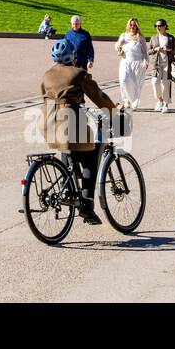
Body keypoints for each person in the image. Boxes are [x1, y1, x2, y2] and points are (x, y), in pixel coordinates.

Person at [40, 38, 121, 226]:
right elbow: (98, 96)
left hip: (48, 123)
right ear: (73, 57)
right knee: (91, 157)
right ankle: (86, 205)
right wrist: (112, 109)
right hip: (70, 122)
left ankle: (67, 188)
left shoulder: (46, 75)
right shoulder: (79, 73)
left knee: (67, 149)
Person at [147, 18, 175, 113]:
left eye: (160, 26)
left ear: (165, 26)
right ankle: (159, 101)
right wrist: (156, 49)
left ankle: (166, 104)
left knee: (166, 84)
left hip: (168, 64)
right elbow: (149, 51)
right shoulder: (153, 38)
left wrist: (168, 49)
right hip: (156, 64)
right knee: (154, 82)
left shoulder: (170, 38)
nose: (158, 27)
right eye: (156, 26)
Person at [115, 17, 147, 110]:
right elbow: (117, 48)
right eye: (131, 25)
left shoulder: (140, 37)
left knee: (135, 84)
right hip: (125, 62)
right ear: (128, 26)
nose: (132, 27)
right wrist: (120, 43)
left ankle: (133, 101)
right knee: (124, 80)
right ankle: (126, 100)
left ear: (137, 27)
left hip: (137, 64)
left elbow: (145, 52)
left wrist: (145, 62)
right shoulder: (123, 35)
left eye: (134, 25)